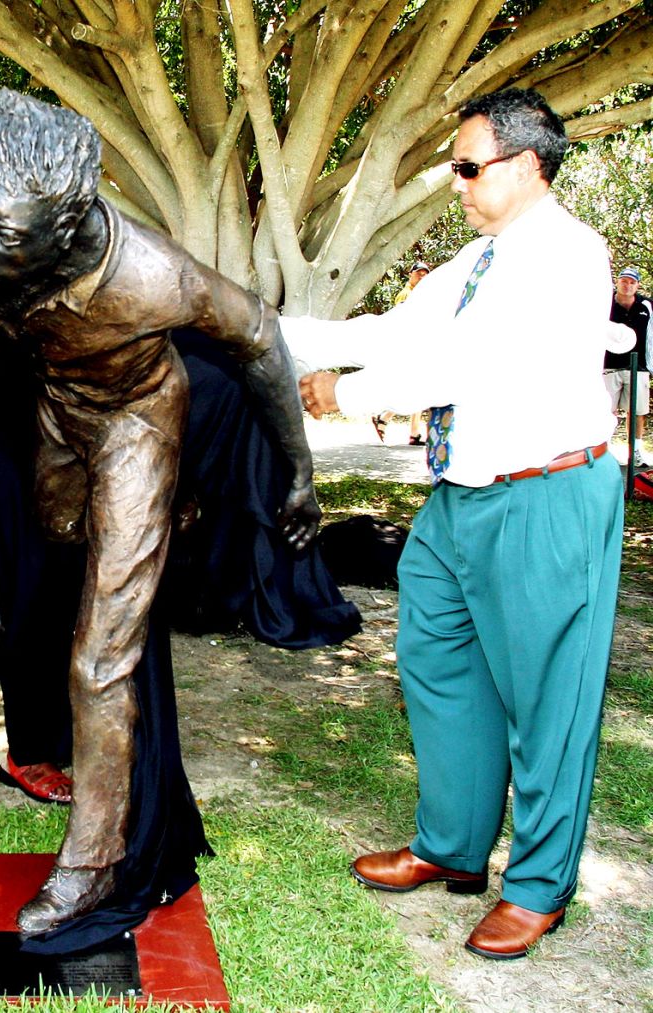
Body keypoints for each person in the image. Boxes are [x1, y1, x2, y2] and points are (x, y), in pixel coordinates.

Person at [0, 89, 319, 939]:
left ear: (70, 220)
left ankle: (91, 864)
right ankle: (140, 565)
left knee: (101, 652)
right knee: (52, 561)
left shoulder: (155, 276)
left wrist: (298, 468)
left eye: (2, 236)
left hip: (136, 417)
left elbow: (261, 340)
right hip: (46, 409)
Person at [289, 88, 622, 960]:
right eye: (456, 168)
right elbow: (383, 331)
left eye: (470, 167)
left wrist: (343, 395)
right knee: (436, 664)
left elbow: (465, 363)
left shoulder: (568, 255)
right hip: (459, 498)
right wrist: (253, 330)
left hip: (543, 495)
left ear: (527, 164)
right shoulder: (474, 261)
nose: (458, 184)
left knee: (549, 698)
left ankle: (540, 887)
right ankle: (452, 846)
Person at [371, 261, 431, 445]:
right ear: (411, 275)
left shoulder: (423, 295)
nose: (422, 277)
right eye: (418, 273)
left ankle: (393, 421)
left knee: (417, 390)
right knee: (417, 389)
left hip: (420, 348)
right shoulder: (406, 295)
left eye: (425, 274)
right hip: (411, 349)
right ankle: (388, 418)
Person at [604, 266, 653, 466]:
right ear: (618, 282)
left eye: (632, 282)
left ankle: (636, 451)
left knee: (637, 411)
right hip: (608, 367)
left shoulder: (646, 305)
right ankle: (603, 451)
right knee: (607, 410)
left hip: (638, 367)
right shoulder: (604, 303)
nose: (628, 285)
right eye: (624, 281)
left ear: (637, 285)